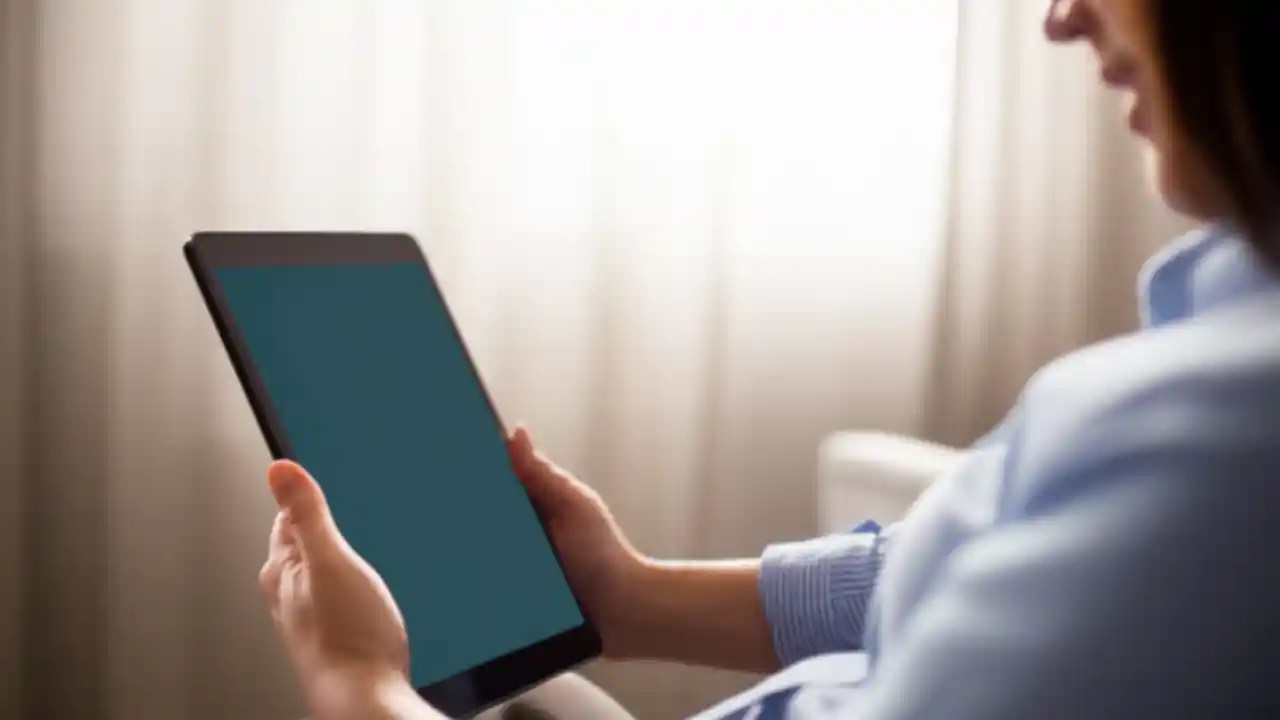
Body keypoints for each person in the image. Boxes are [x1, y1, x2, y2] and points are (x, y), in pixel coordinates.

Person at [256, 0, 1280, 717]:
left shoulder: (1227, 449)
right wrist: (628, 595)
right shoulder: (1208, 368)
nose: (1059, 16)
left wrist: (358, 686)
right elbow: (995, 576)